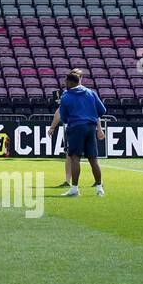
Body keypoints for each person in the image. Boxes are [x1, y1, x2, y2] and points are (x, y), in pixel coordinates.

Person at [52, 69, 107, 197]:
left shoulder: (66, 95)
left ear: (71, 83)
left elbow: (64, 116)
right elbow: (102, 110)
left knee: (75, 158)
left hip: (76, 127)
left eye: (67, 82)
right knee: (93, 159)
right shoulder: (91, 93)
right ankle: (99, 188)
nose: (65, 84)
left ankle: (75, 189)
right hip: (90, 127)